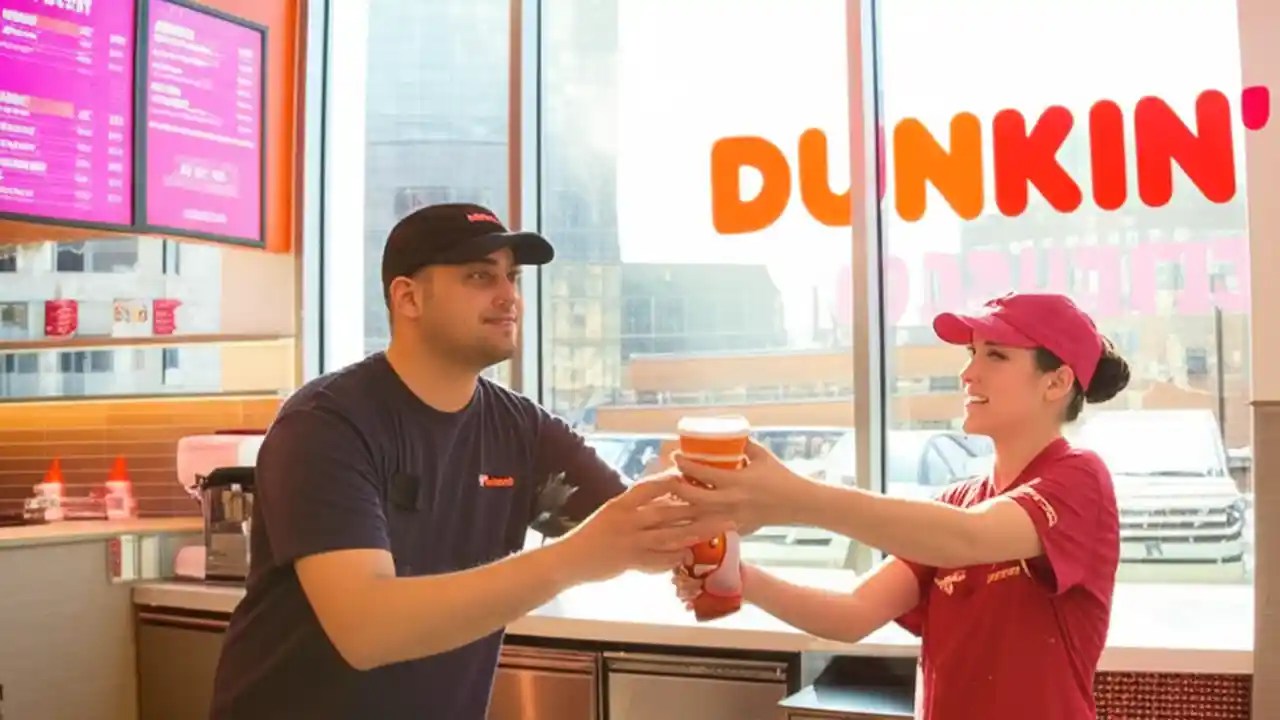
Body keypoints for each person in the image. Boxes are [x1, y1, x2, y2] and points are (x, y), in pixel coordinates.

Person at [209, 203, 728, 720]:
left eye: (513, 276)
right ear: (408, 297)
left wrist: (697, 500)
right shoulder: (326, 425)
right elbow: (366, 630)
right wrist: (572, 559)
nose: (509, 297)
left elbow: (631, 527)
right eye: (480, 276)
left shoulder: (521, 429)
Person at [671, 292, 1131, 720]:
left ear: (1057, 382)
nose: (968, 373)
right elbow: (852, 613)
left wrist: (793, 497)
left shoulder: (1078, 479)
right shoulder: (958, 501)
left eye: (996, 354)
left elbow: (968, 538)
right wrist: (739, 578)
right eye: (971, 353)